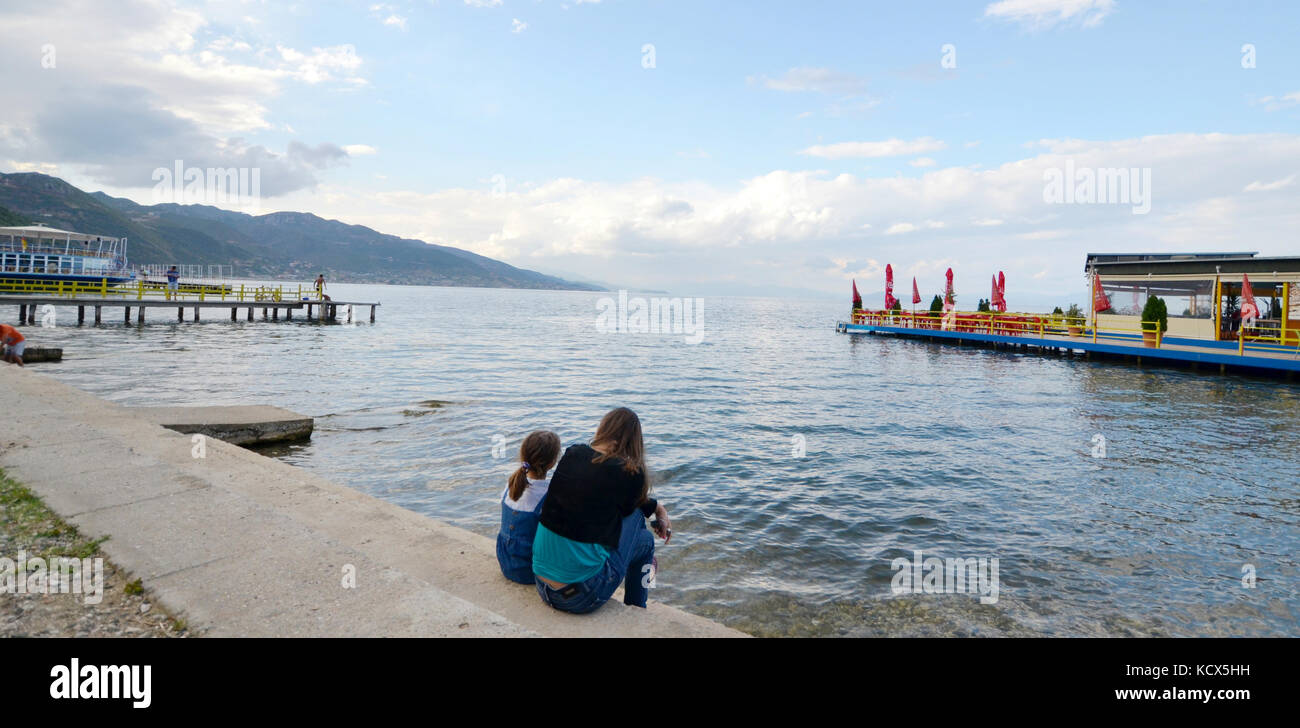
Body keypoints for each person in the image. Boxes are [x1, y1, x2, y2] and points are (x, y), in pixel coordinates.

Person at [532, 407, 672, 614]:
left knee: (632, 520)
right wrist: (660, 512)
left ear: (604, 429)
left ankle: (642, 574)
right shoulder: (630, 474)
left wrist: (656, 508)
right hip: (581, 596)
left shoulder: (573, 453)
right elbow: (633, 503)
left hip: (542, 587)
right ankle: (637, 606)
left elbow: (611, 490)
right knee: (645, 539)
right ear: (634, 441)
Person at [497, 430, 562, 584]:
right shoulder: (550, 494)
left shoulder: (511, 484)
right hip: (530, 570)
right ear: (553, 462)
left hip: (505, 562)